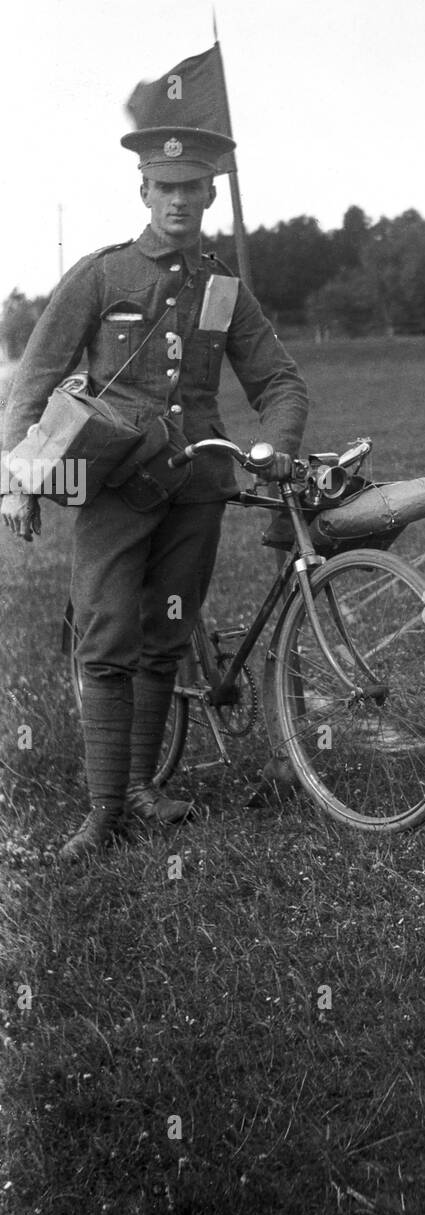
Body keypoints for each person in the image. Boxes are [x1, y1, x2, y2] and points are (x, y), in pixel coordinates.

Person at [1, 125, 309, 860]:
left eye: (191, 187)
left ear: (209, 194)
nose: (178, 199)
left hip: (196, 486)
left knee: (165, 638)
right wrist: (18, 480)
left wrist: (275, 445)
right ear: (144, 192)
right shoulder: (102, 276)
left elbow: (278, 380)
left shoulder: (223, 284)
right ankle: (104, 815)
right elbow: (34, 381)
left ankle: (142, 789)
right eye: (164, 187)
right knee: (108, 640)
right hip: (114, 486)